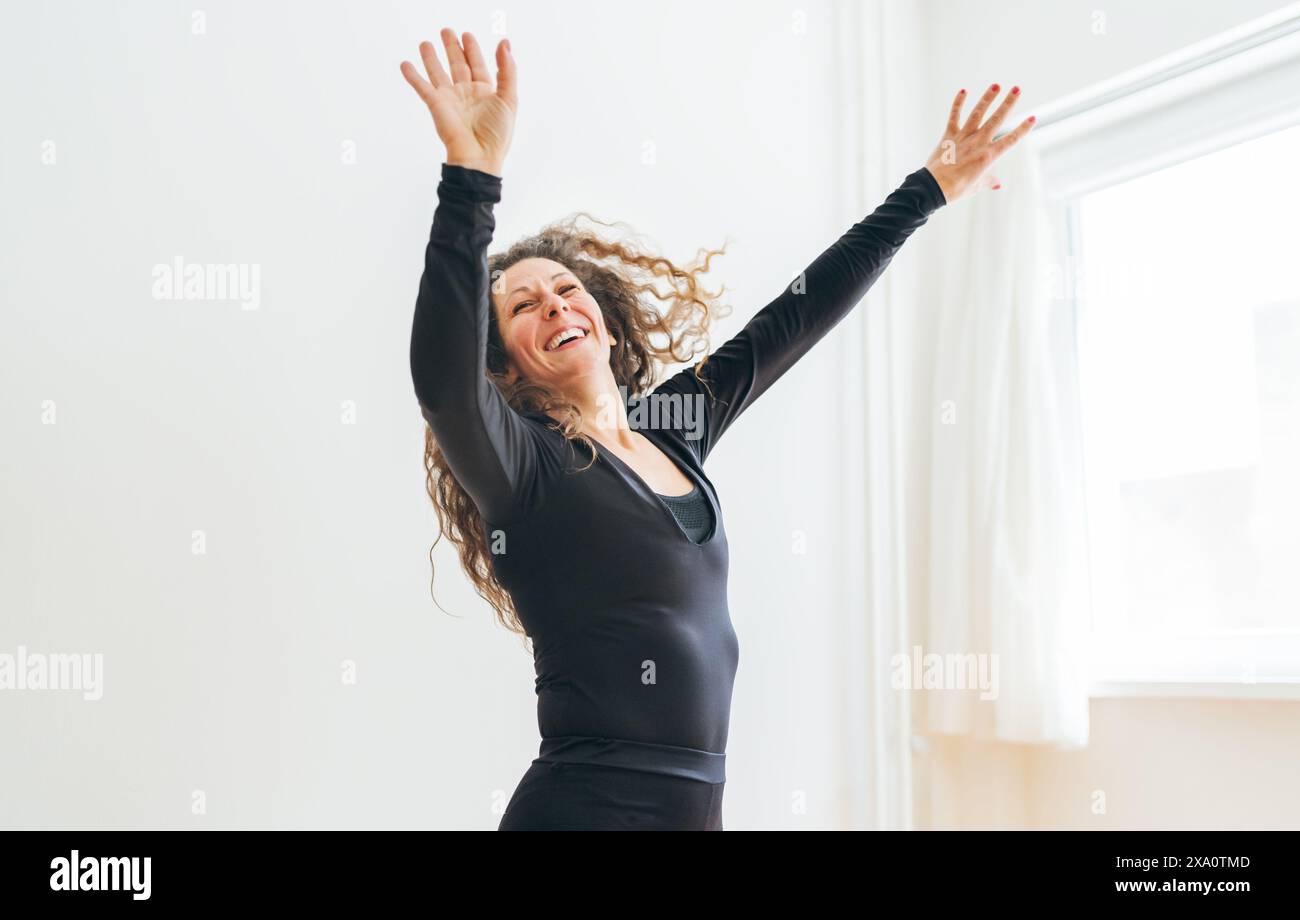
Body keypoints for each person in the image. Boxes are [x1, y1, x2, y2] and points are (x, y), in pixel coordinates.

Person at [401, 27, 1034, 830]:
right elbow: (443, 387)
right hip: (585, 809)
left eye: (565, 289)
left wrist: (931, 188)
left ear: (602, 315)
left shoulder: (671, 432)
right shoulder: (524, 469)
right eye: (523, 306)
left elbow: (794, 316)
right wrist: (471, 181)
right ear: (505, 362)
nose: (555, 305)